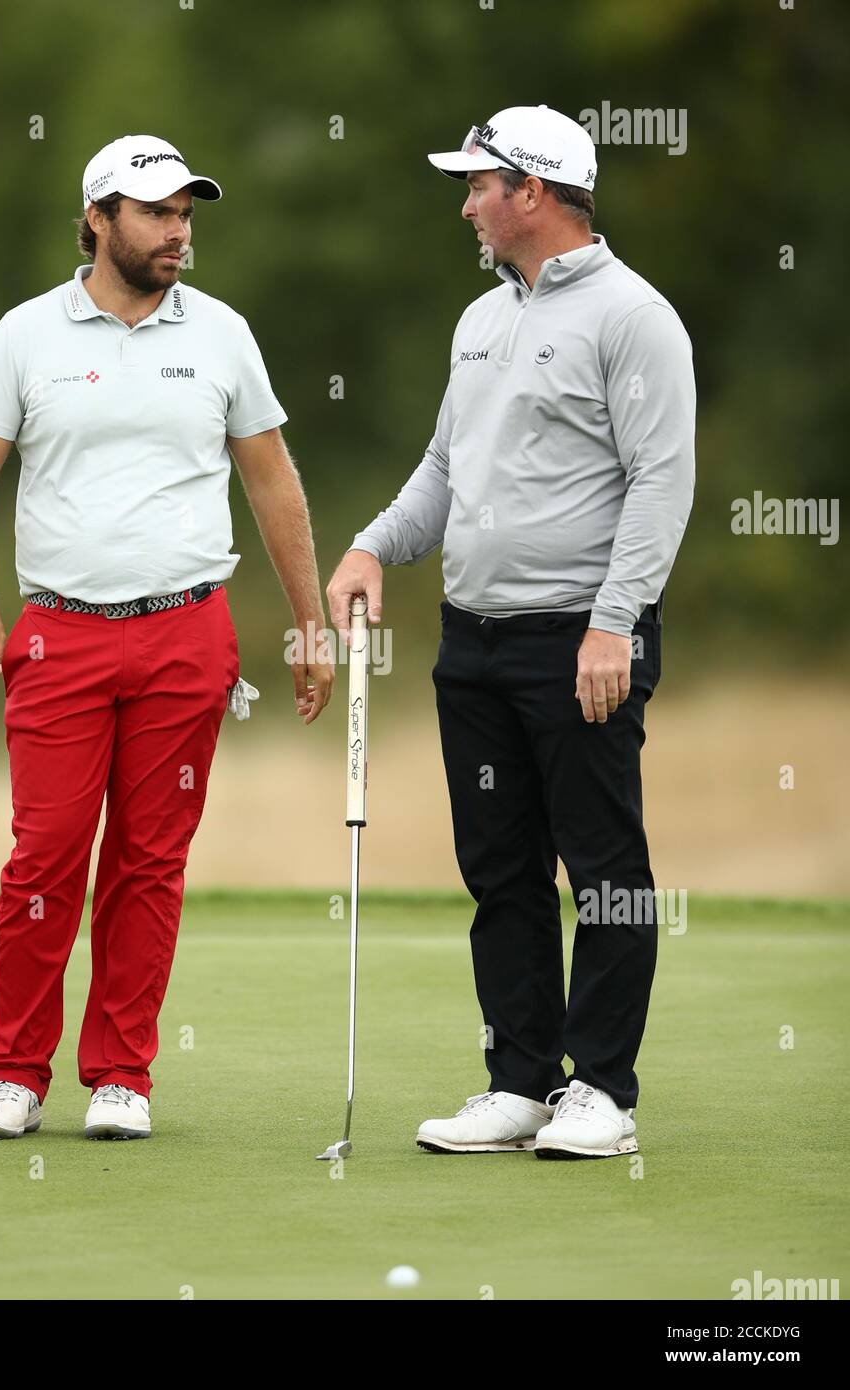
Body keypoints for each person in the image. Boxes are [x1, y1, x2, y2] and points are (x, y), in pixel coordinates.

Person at [0, 134, 333, 1140]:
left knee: (150, 859)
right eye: (157, 213)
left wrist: (311, 622)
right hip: (61, 633)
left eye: (187, 214)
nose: (178, 231)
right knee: (48, 854)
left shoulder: (224, 334)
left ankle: (122, 1076)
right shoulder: (28, 334)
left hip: (187, 631)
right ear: (98, 220)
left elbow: (271, 477)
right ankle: (16, 1073)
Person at [327, 105, 695, 1159]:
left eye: (480, 184)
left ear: (532, 193)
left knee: (606, 867)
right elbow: (447, 470)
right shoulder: (482, 318)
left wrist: (614, 623)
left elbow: (663, 480)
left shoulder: (633, 317)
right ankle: (520, 1081)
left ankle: (603, 1091)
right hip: (472, 641)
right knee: (501, 870)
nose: (468, 203)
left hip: (579, 638)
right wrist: (369, 546)